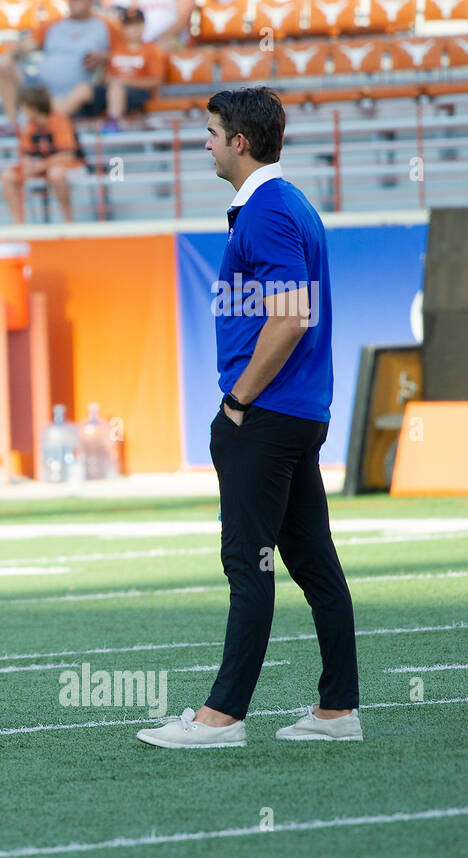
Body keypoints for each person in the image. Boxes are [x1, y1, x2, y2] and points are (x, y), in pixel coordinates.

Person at [137, 87, 359, 749]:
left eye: (210, 132)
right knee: (313, 561)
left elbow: (290, 317)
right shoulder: (283, 205)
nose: (203, 141)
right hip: (292, 413)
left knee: (248, 562)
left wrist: (237, 401)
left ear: (240, 141)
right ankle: (337, 708)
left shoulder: (267, 210)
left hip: (265, 416)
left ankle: (222, 717)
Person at [0, 0, 117, 122]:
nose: (72, 3)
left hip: (79, 89)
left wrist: (106, 57)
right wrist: (9, 55)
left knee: (81, 91)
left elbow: (126, 55)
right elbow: (26, 46)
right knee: (4, 65)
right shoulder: (53, 25)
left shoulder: (106, 26)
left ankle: (50, 127)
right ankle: (12, 125)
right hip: (42, 85)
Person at [61, 6, 165, 127]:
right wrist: (109, 80)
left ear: (144, 26)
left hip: (138, 93)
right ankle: (57, 121)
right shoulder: (117, 49)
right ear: (123, 28)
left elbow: (157, 80)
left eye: (138, 24)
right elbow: (107, 76)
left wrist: (126, 82)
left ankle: (113, 123)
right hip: (113, 91)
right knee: (83, 88)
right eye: (130, 25)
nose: (134, 29)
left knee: (116, 87)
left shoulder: (151, 50)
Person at [0, 85, 82, 222]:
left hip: (66, 167)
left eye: (24, 107)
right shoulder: (29, 126)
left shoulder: (59, 121)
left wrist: (41, 166)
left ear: (34, 107)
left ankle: (68, 221)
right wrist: (28, 164)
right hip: (41, 168)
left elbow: (67, 155)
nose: (22, 111)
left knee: (56, 173)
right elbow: (25, 153)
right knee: (6, 175)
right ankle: (18, 224)